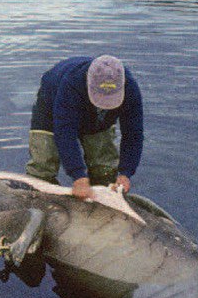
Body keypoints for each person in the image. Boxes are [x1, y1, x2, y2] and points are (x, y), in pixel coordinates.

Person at [26, 55, 143, 200]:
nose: (102, 103)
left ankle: (101, 195)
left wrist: (126, 172)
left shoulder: (130, 89)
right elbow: (64, 133)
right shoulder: (71, 83)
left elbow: (133, 134)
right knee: (42, 164)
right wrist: (78, 176)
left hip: (101, 116)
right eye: (101, 98)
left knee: (104, 167)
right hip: (52, 102)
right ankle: (38, 199)